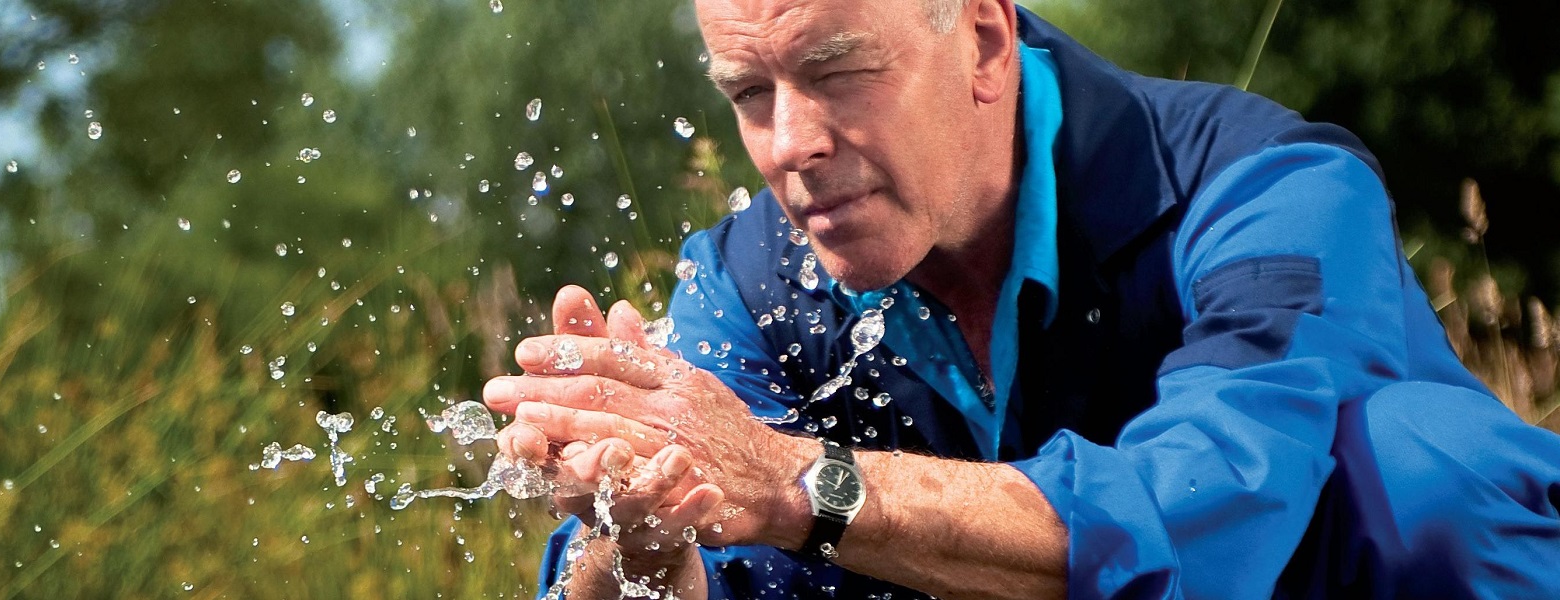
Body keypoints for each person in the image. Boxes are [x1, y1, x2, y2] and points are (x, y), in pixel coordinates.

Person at [481, 0, 1560, 598]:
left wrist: (803, 485)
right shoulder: (742, 282)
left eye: (838, 70)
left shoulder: (1264, 188)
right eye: (750, 93)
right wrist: (641, 537)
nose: (789, 145)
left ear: (985, 43)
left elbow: (1207, 502)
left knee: (1423, 470)